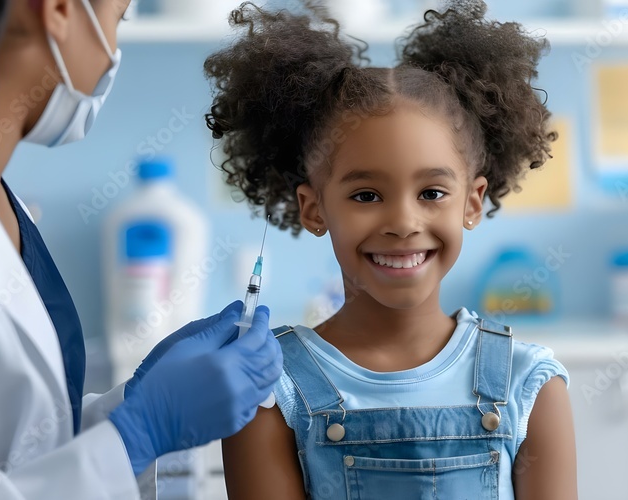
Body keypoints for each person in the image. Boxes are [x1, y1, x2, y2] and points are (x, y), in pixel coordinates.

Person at [0, 1, 282, 498]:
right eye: (116, 17)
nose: (112, 52)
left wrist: (130, 411)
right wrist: (138, 434)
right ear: (58, 8)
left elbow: (8, 453)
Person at [206, 2, 578, 499]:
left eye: (432, 193)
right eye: (366, 196)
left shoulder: (529, 385)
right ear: (313, 209)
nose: (403, 223)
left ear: (472, 203)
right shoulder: (271, 390)